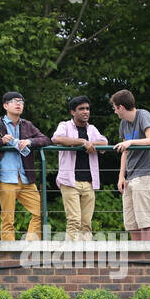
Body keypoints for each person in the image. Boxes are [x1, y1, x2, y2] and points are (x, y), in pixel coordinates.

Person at [0, 91, 51, 241]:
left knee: (40, 213)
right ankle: (9, 253)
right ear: (5, 105)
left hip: (26, 179)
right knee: (8, 219)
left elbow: (45, 139)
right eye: (15, 101)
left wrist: (30, 142)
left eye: (21, 102)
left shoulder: (27, 125)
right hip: (6, 178)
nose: (18, 104)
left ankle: (30, 246)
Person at [51, 96, 108, 240]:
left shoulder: (92, 128)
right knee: (74, 220)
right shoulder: (64, 126)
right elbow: (57, 139)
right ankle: (70, 257)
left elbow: (104, 142)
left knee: (86, 223)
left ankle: (85, 256)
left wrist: (90, 143)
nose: (85, 112)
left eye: (87, 109)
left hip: (89, 181)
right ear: (73, 112)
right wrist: (82, 142)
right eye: (81, 109)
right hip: (70, 181)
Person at [110, 89, 150, 242]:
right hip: (130, 176)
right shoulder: (123, 123)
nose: (115, 112)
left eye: (115, 108)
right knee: (131, 222)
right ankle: (138, 261)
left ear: (121, 107)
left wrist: (131, 142)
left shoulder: (143, 115)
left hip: (145, 173)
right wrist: (121, 176)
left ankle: (149, 258)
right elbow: (124, 151)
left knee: (145, 220)